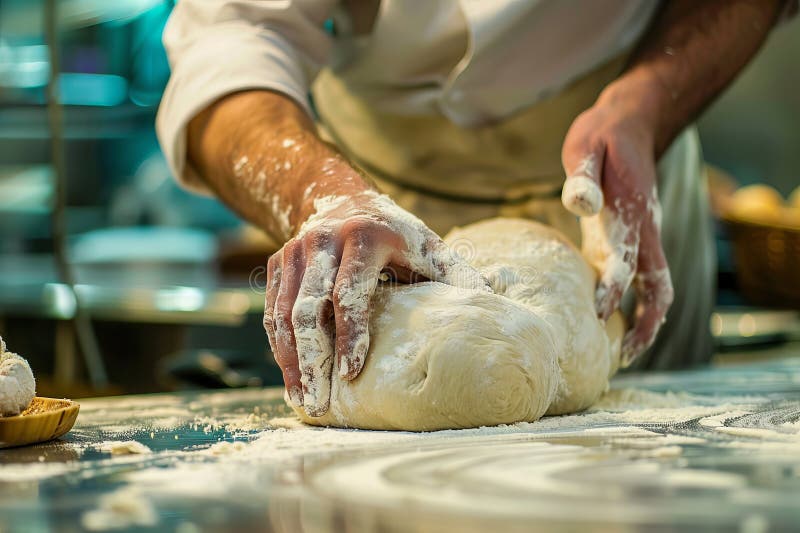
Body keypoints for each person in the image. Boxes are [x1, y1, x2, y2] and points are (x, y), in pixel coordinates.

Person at [157, 0, 794, 418]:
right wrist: (320, 192)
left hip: (619, 187)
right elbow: (231, 37)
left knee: (656, 476)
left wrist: (648, 103)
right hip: (378, 221)